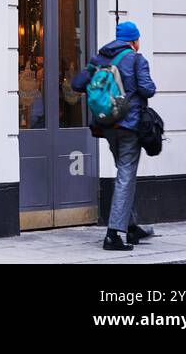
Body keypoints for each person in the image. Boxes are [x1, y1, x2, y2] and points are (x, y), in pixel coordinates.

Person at [71, 21, 157, 251]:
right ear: (134, 41)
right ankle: (113, 234)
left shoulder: (98, 59)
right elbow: (148, 89)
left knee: (123, 173)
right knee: (126, 175)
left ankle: (130, 226)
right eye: (138, 39)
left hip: (106, 125)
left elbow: (77, 84)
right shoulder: (137, 59)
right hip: (129, 126)